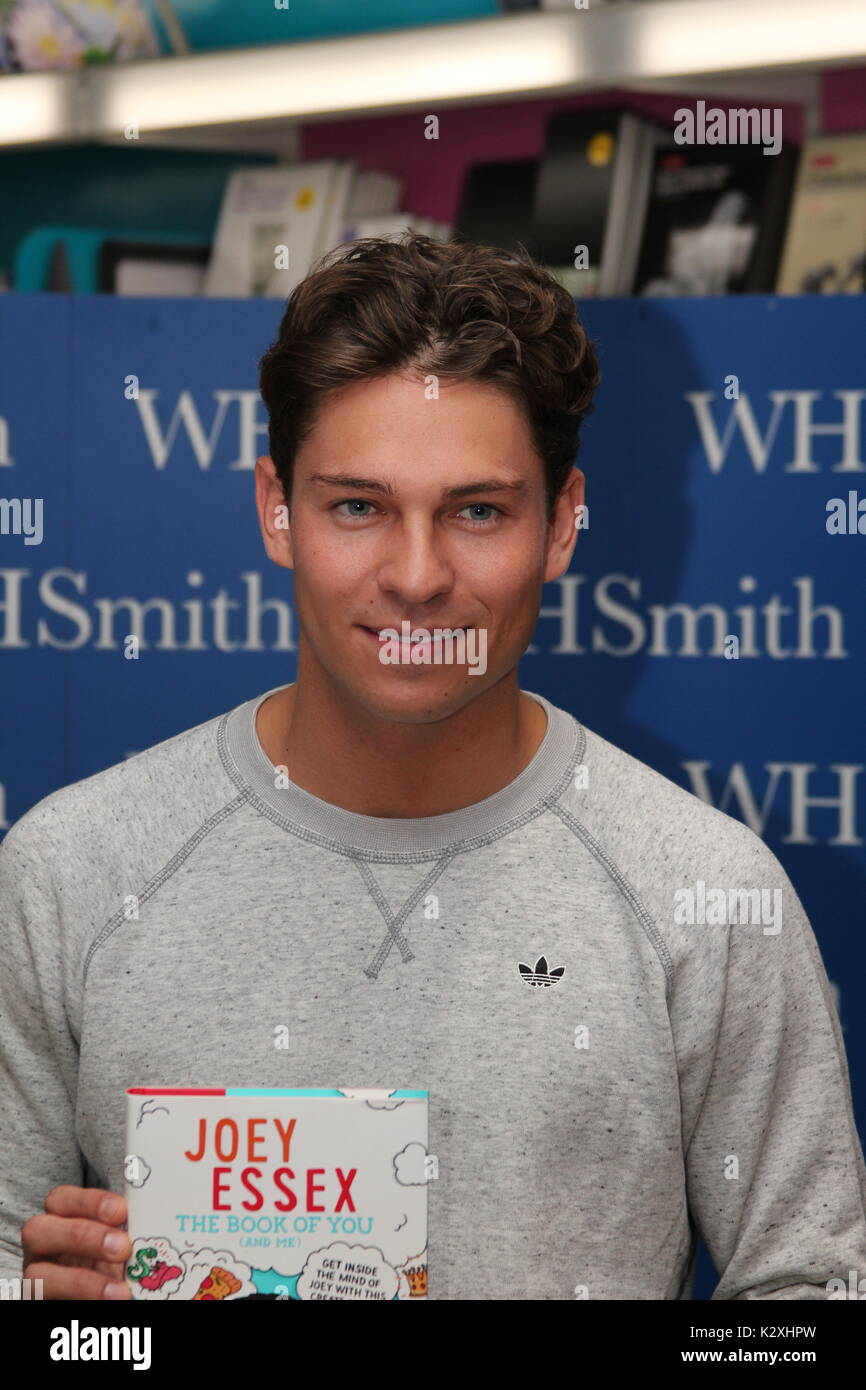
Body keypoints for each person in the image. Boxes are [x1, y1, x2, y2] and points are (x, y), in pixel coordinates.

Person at [1, 232, 864, 1301]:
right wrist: (61, 1323)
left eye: (477, 511)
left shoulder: (707, 895)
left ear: (560, 526)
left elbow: (813, 1294)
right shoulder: (70, 870)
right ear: (275, 507)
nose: (416, 577)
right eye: (357, 506)